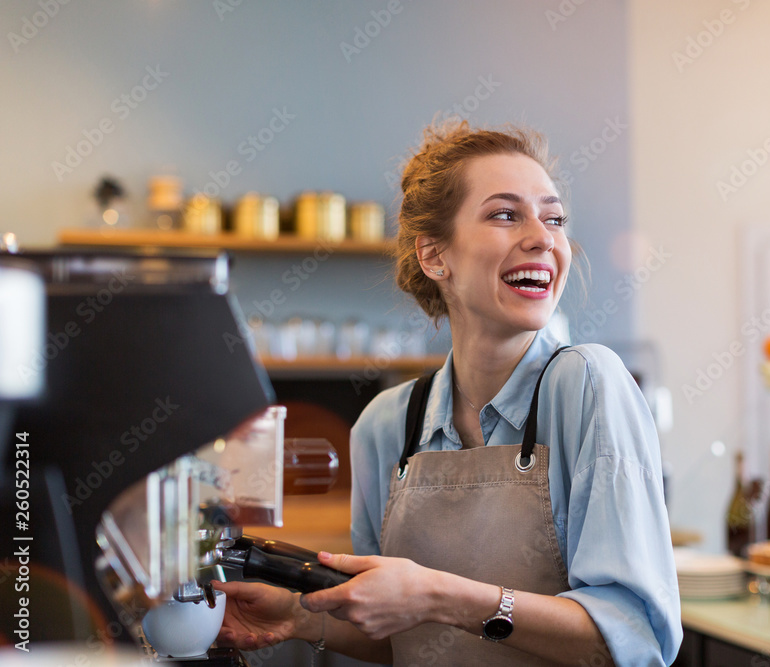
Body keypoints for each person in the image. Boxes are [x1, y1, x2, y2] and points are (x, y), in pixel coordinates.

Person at [215, 119, 682, 666]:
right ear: (435, 257)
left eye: (553, 218)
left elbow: (632, 636)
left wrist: (438, 596)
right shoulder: (386, 424)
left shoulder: (588, 385)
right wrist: (299, 616)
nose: (544, 237)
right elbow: (394, 629)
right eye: (505, 214)